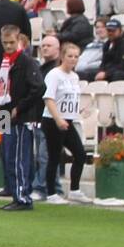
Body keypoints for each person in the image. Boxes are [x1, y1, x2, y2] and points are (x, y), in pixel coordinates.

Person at [0, 24, 44, 212]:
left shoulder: (26, 62)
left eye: (11, 42)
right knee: (7, 155)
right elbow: (3, 89)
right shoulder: (6, 61)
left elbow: (38, 88)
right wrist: (0, 112)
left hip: (20, 116)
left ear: (18, 40)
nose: (7, 46)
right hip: (5, 112)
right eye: (5, 42)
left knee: (18, 157)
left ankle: (23, 197)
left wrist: (20, 108)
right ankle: (14, 192)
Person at [42, 42, 90, 204]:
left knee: (80, 154)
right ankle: (51, 193)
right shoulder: (54, 74)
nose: (73, 59)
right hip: (53, 120)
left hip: (68, 119)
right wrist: (58, 119)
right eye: (70, 56)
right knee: (54, 157)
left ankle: (75, 190)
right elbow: (49, 98)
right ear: (62, 57)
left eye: (76, 57)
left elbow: (70, 98)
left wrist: (78, 111)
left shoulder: (74, 76)